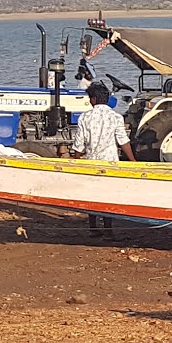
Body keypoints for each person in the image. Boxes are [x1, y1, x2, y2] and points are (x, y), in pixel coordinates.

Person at [71, 81, 135, 235]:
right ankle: (108, 230)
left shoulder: (85, 118)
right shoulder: (116, 117)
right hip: (110, 162)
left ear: (93, 99)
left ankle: (93, 227)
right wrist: (133, 161)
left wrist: (76, 160)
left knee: (92, 195)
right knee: (108, 195)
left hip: (91, 162)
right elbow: (123, 142)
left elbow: (79, 145)